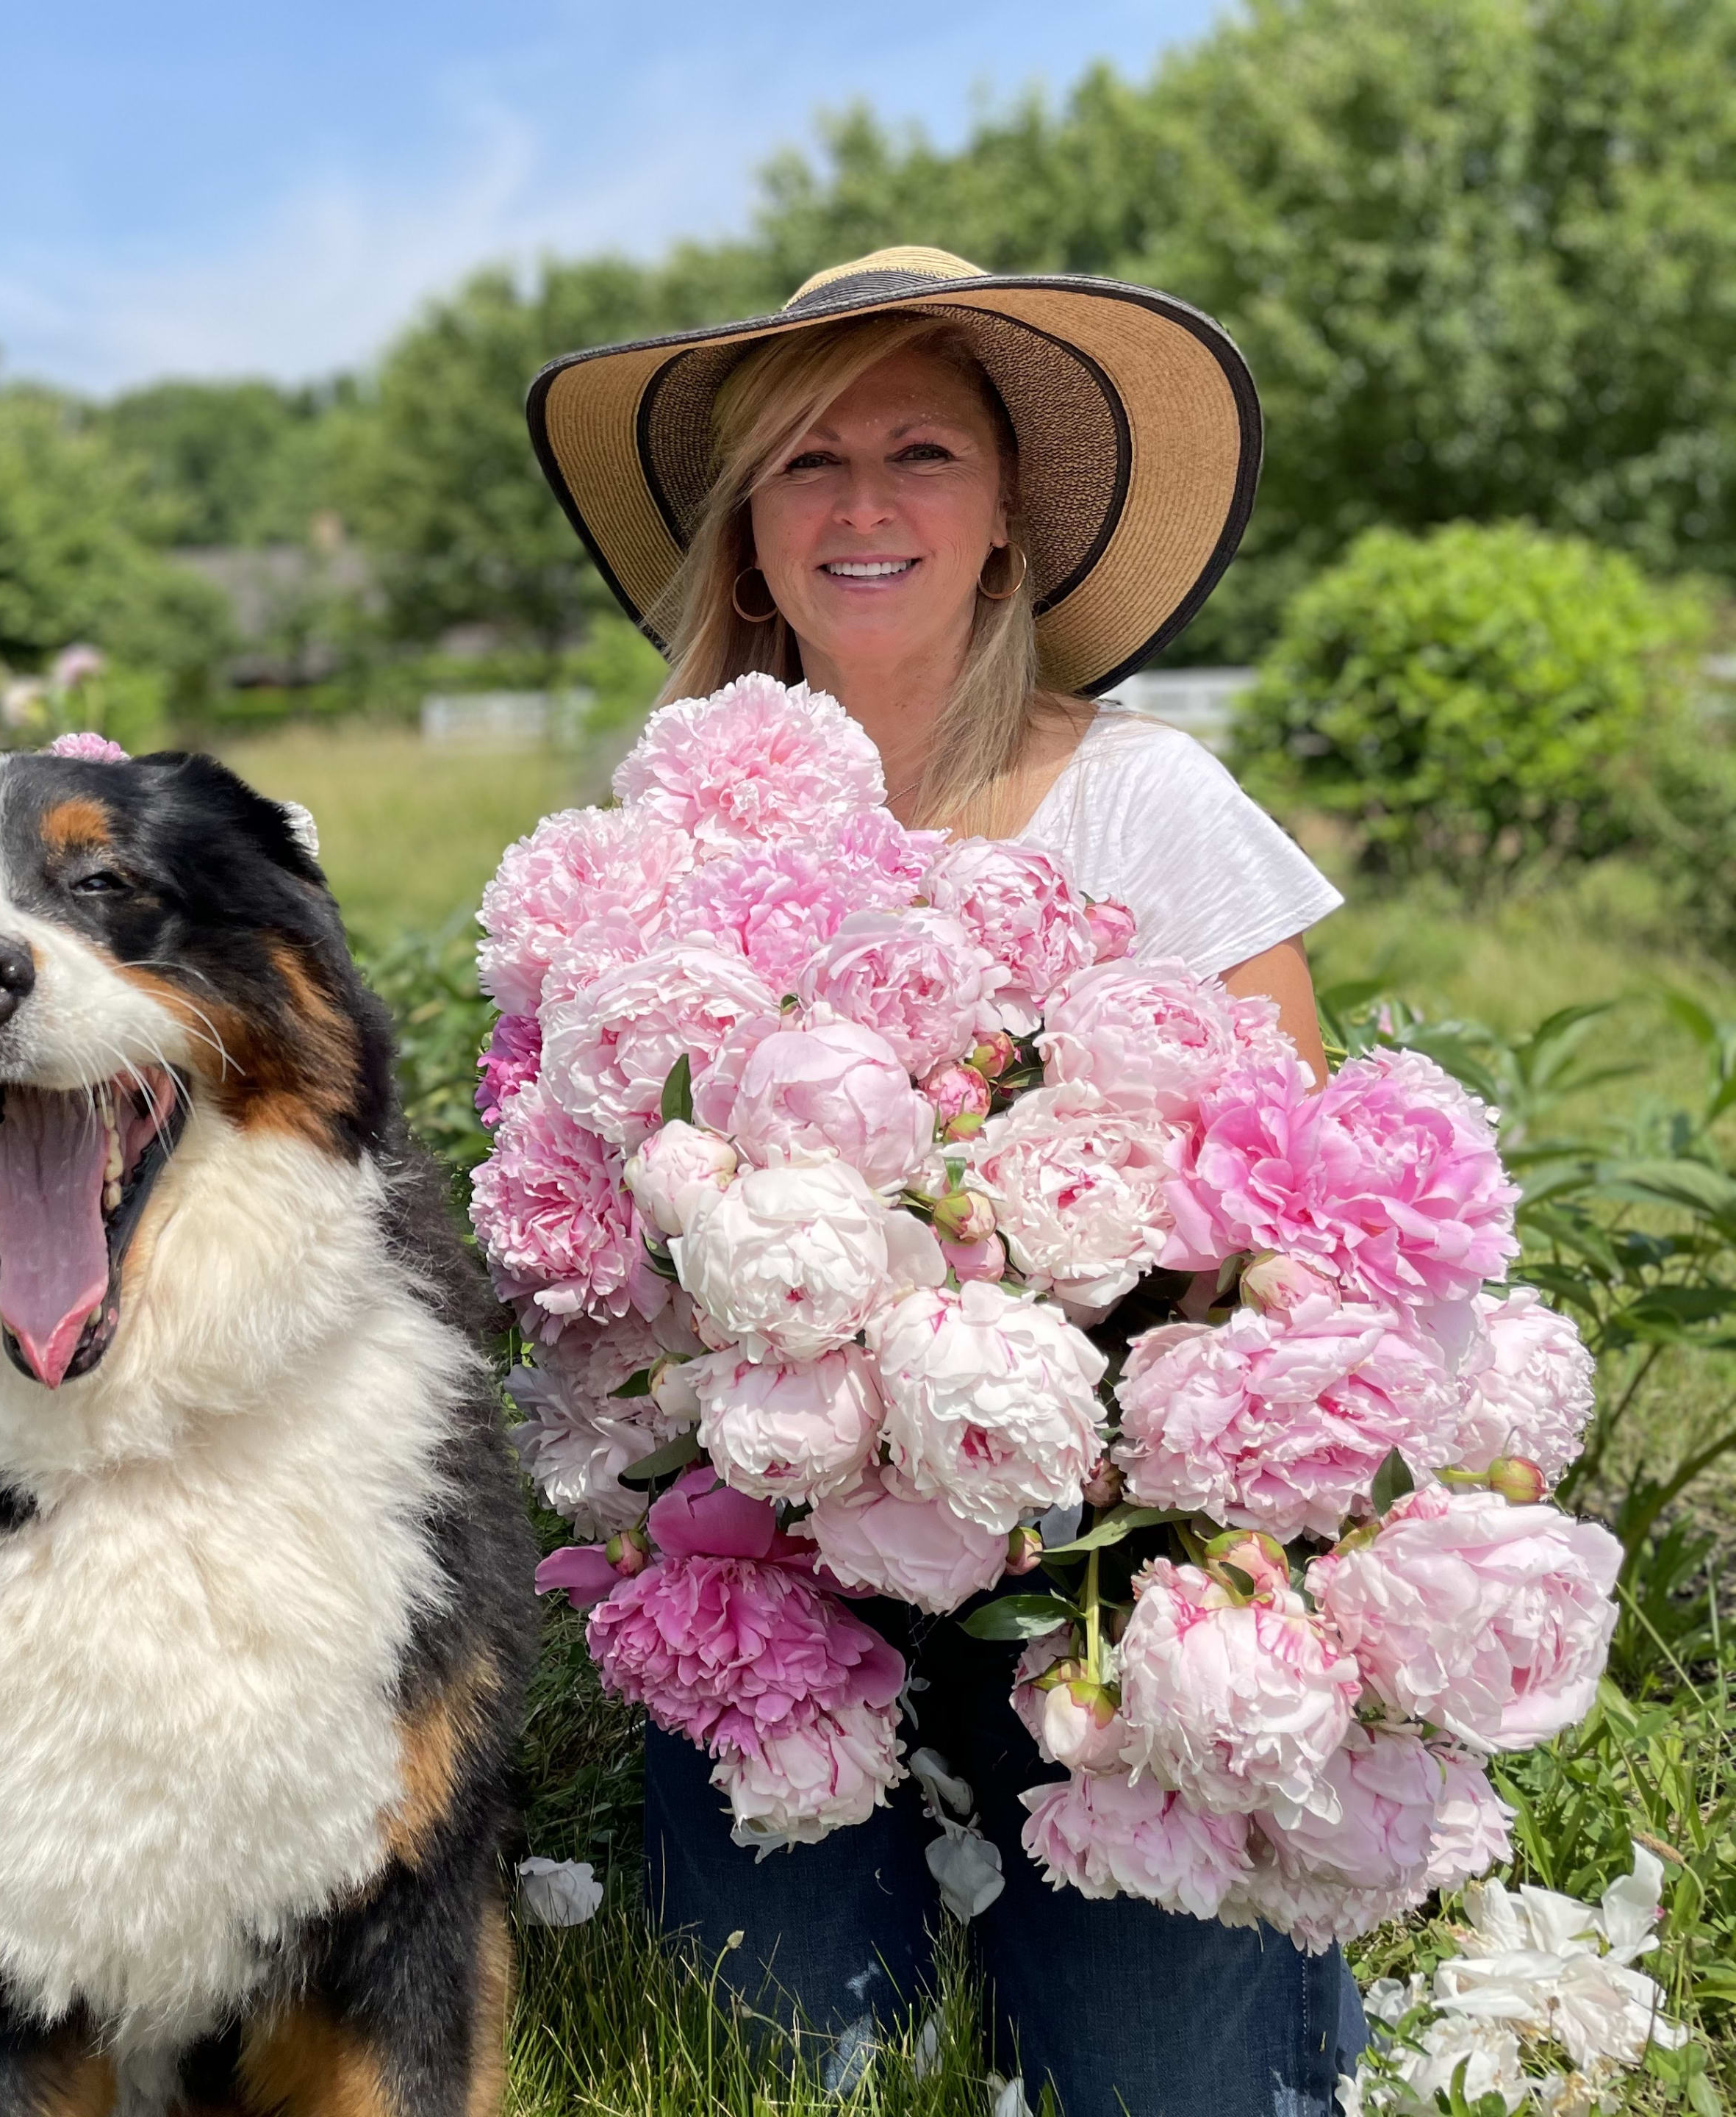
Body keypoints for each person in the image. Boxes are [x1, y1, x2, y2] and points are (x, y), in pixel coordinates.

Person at [526, 247, 1359, 2113]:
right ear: (750, 542)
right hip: (779, 1555)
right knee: (782, 2064)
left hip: (1106, 1549)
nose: (865, 505)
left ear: (1006, 527)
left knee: (1168, 2086)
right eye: (807, 462)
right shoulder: (667, 833)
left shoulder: (1143, 794)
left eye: (922, 454)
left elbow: (1307, 1214)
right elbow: (590, 1229)